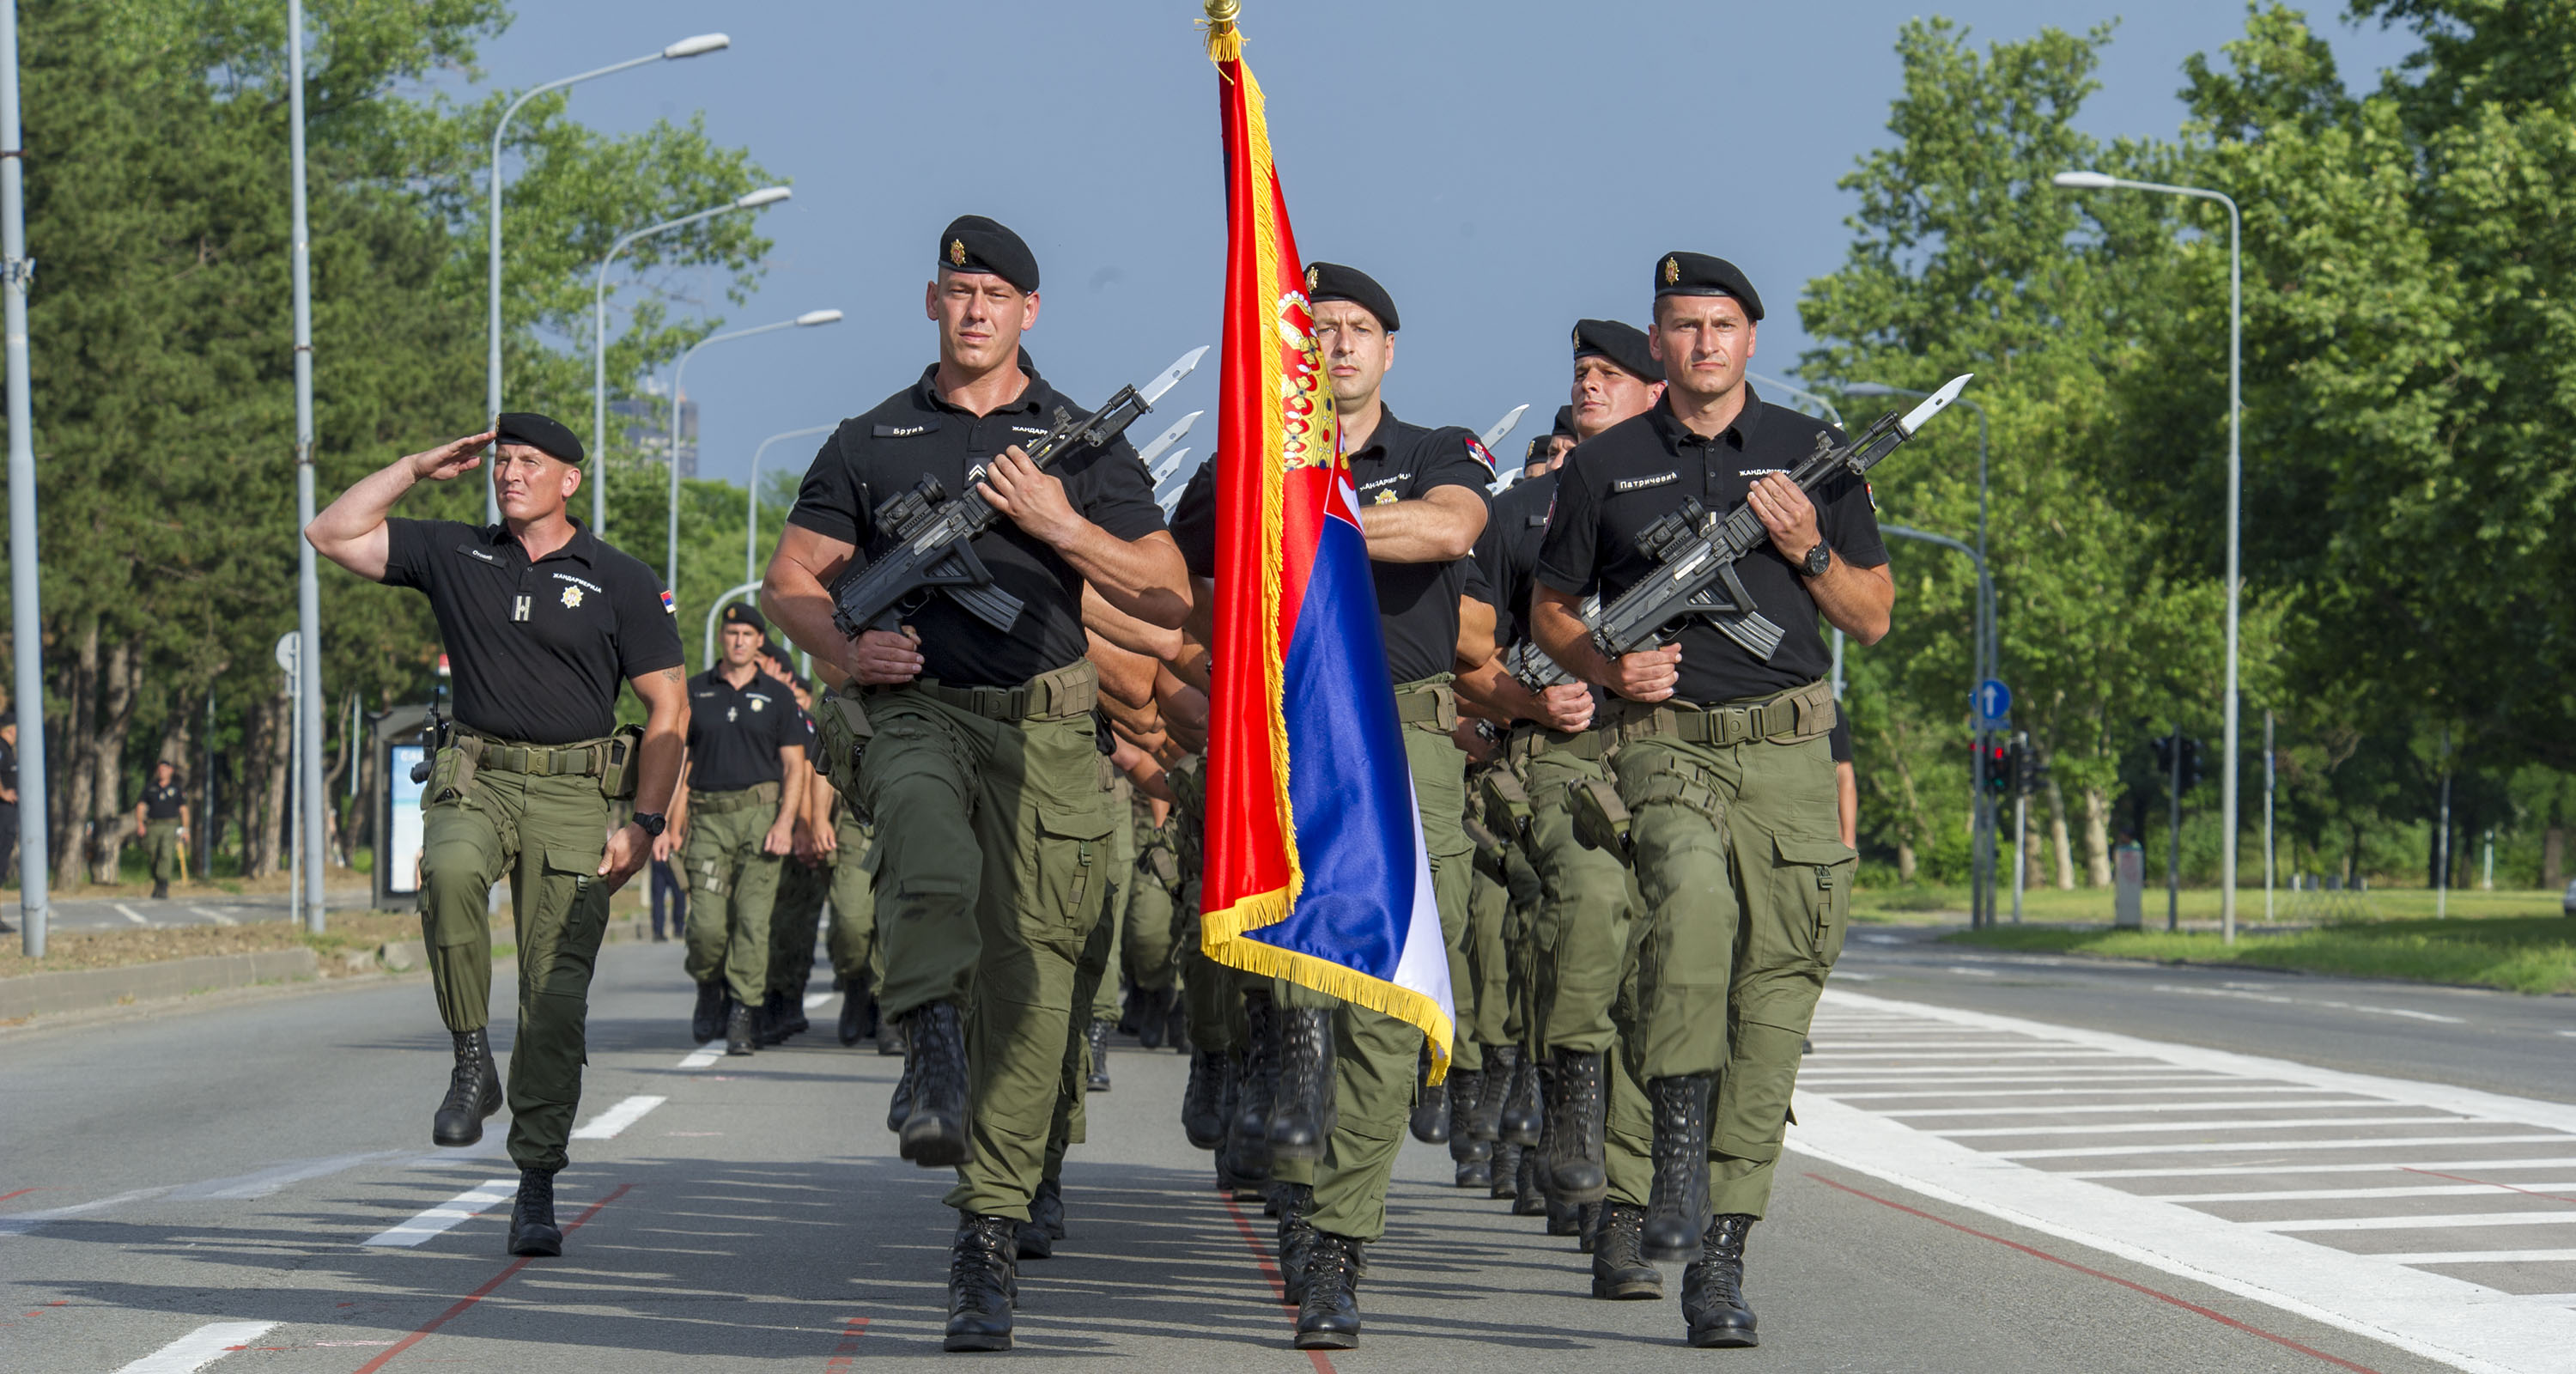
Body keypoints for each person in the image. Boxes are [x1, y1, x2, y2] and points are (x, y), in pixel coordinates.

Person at [761, 215, 1188, 1353]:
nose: (977, 309)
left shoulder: (1081, 445)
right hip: (919, 712)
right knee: (925, 845)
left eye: (997, 293)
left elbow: (1167, 592)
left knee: (1041, 990)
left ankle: (988, 1239)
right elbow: (791, 584)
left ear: (1029, 313)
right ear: (932, 304)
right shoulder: (873, 440)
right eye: (959, 291)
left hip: (1050, 734)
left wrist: (1058, 525)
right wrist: (848, 652)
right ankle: (931, 1040)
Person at [1531, 253, 1889, 1348]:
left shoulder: (1808, 453)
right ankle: (1672, 1168)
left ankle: (1721, 1258)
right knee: (1688, 908)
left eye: (1721, 323)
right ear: (1659, 338)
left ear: (1749, 336)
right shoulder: (1608, 467)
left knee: (1773, 1006)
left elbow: (1869, 614)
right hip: (1668, 748)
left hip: (1786, 752)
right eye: (1683, 325)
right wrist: (1602, 666)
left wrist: (1805, 544)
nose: (1703, 343)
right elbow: (1548, 608)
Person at [1170, 260, 1492, 1350]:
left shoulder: (1439, 451)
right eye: (1321, 329)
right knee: (1279, 984)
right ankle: (1276, 1138)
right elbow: (1185, 599)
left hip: (1401, 732)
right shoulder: (1235, 467)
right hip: (1281, 735)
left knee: (1382, 998)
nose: (1340, 344)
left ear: (1388, 350)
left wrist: (1310, 514)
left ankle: (1338, 1238)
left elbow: (1446, 531)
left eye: (1359, 328)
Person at [305, 410, 687, 1258]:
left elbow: (669, 706)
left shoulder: (619, 578)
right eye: (502, 459)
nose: (510, 472)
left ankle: (537, 1180)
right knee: (445, 872)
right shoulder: (454, 550)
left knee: (554, 997)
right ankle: (471, 1059)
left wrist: (646, 821)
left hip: (573, 796)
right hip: (473, 775)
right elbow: (330, 531)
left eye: (529, 462)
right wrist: (412, 463)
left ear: (569, 480)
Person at [1455, 318, 1667, 1275]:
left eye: (1611, 374)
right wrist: (1526, 697)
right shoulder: (1523, 514)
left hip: (1678, 752)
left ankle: (1636, 1185)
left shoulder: (1703, 501)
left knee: (1667, 965)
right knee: (1585, 920)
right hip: (1562, 755)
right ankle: (1577, 1119)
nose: (1589, 386)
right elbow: (1465, 653)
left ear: (1655, 392)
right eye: (1582, 373)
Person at [671, 604, 806, 1055]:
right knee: (707, 927)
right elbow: (680, 764)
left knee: (752, 921)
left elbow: (795, 767)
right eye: (732, 632)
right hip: (707, 818)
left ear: (759, 641)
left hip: (760, 818)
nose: (739, 640)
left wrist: (786, 823)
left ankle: (743, 1013)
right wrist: (669, 823)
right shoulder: (696, 693)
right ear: (722, 638)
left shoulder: (778, 696)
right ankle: (709, 985)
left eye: (748, 633)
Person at [135, 760, 190, 899]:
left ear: (170, 771)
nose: (162, 772)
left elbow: (183, 810)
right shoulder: (150, 788)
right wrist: (140, 824)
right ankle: (158, 881)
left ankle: (163, 884)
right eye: (160, 769)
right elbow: (141, 806)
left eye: (165, 769)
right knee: (153, 854)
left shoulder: (176, 789)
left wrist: (185, 829)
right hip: (153, 825)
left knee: (166, 854)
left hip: (169, 825)